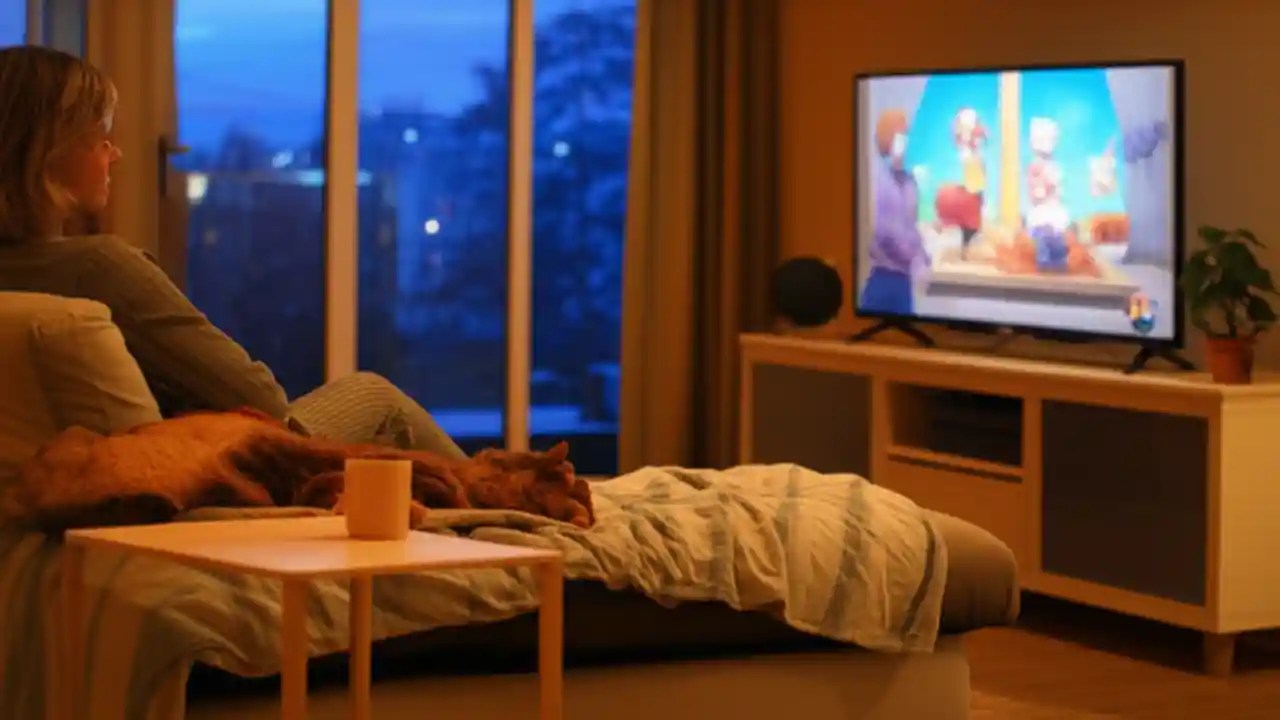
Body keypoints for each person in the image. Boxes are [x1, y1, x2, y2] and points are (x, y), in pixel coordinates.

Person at [0, 45, 464, 458]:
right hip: (195, 476)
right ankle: (514, 520)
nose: (115, 154)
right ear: (51, 151)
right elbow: (261, 401)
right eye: (101, 136)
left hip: (60, 492)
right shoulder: (97, 270)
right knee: (371, 395)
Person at [859, 109, 929, 316]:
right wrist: (912, 252)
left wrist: (923, 259)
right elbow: (885, 233)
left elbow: (912, 227)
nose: (904, 142)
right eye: (899, 136)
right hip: (883, 279)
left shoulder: (909, 183)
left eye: (906, 135)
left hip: (905, 282)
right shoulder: (876, 179)